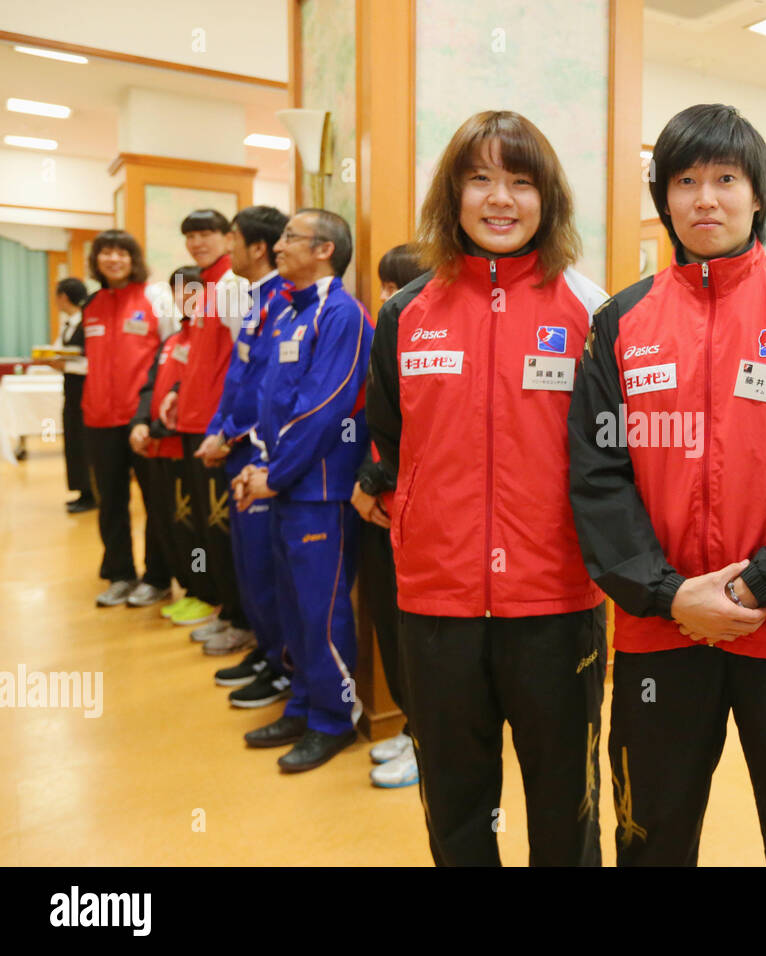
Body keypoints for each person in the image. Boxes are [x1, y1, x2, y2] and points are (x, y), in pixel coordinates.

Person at [568, 103, 766, 866]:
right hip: (660, 628)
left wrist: (756, 589)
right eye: (685, 180)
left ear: (757, 194)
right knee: (652, 834)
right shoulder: (619, 320)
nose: (706, 198)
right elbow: (597, 473)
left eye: (726, 179)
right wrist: (667, 592)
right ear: (664, 197)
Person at [366, 111, 608, 863]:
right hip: (437, 607)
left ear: (548, 200)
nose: (500, 199)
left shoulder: (590, 313)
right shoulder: (406, 315)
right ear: (453, 194)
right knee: (457, 806)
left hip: (556, 604)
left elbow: (613, 456)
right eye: (480, 179)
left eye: (521, 181)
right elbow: (392, 445)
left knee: (565, 808)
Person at [234, 208, 373, 773]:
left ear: (325, 250)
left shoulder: (342, 314)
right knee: (290, 607)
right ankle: (302, 703)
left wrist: (276, 472)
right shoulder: (288, 312)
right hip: (285, 485)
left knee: (321, 612)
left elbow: (324, 408)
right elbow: (272, 403)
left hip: (321, 491)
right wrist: (259, 465)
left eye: (290, 237)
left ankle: (333, 720)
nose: (278, 246)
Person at [194, 206, 299, 691]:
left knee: (265, 568)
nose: (225, 248)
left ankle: (281, 668)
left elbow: (268, 392)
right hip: (235, 448)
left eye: (231, 238)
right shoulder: (256, 300)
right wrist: (217, 429)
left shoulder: (284, 299)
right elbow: (238, 378)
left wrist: (229, 434)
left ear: (256, 247)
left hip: (259, 453)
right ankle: (263, 651)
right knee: (246, 564)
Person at [160, 208, 253, 645]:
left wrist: (227, 426)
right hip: (194, 422)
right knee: (204, 527)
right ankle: (222, 605)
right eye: (190, 235)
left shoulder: (232, 285)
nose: (198, 242)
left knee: (221, 528)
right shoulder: (201, 288)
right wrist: (179, 393)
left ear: (227, 237)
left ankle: (240, 619)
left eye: (207, 234)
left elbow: (244, 361)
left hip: (219, 426)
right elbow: (197, 357)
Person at [352, 242, 424, 789]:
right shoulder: (388, 334)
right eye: (383, 285)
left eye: (396, 283)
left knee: (416, 638)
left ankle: (428, 740)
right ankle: (409, 723)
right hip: (376, 510)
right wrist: (366, 486)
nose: (386, 296)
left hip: (412, 517)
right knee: (388, 628)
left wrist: (375, 483)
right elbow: (378, 427)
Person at [79, 229, 173, 607]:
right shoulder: (92, 304)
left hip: (142, 419)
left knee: (155, 501)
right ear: (97, 261)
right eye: (106, 253)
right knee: (111, 501)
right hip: (99, 417)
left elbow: (168, 354)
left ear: (133, 259)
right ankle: (119, 574)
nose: (114, 259)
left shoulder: (154, 298)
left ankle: (157, 576)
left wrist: (154, 411)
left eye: (121, 252)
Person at [129, 267, 201, 617]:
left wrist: (162, 426)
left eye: (192, 290)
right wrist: (141, 422)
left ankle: (203, 591)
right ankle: (187, 587)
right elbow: (150, 386)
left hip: (183, 447)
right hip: (157, 448)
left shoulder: (202, 339)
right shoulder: (172, 340)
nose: (184, 297)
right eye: (179, 291)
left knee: (191, 528)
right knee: (166, 524)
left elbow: (196, 391)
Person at [53, 278, 94, 513]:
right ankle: (81, 490)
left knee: (85, 442)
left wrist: (64, 365)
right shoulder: (69, 323)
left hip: (86, 390)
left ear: (63, 297)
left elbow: (92, 361)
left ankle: (91, 492)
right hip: (71, 390)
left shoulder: (88, 323)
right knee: (73, 440)